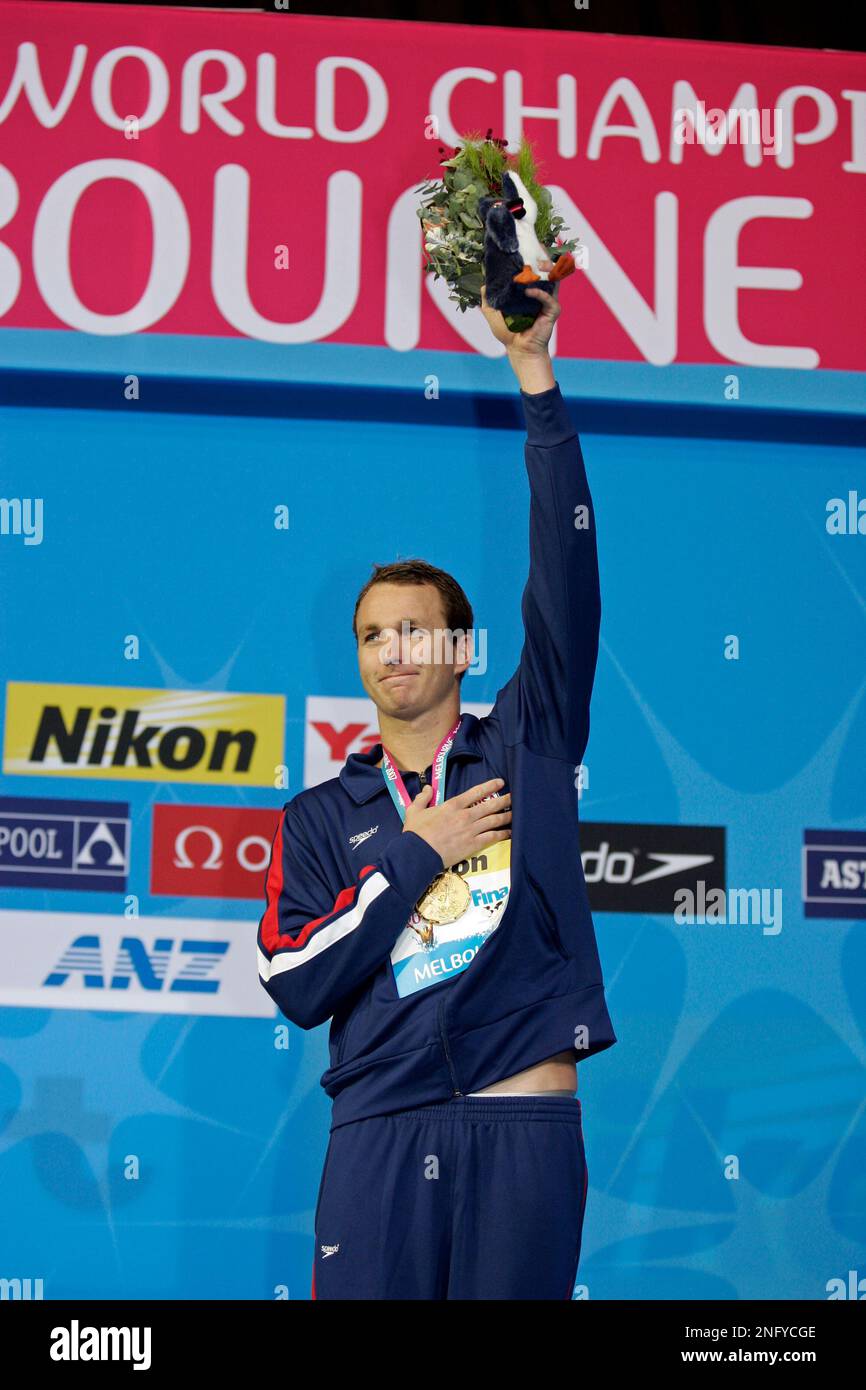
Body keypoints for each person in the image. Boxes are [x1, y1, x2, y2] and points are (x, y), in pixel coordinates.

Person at [257, 280, 617, 1299]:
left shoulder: (525, 746)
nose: (390, 648)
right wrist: (420, 850)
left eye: (412, 628)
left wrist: (534, 380)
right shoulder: (321, 816)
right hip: (378, 1129)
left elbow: (567, 579)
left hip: (519, 1117)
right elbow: (294, 979)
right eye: (371, 633)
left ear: (459, 648)